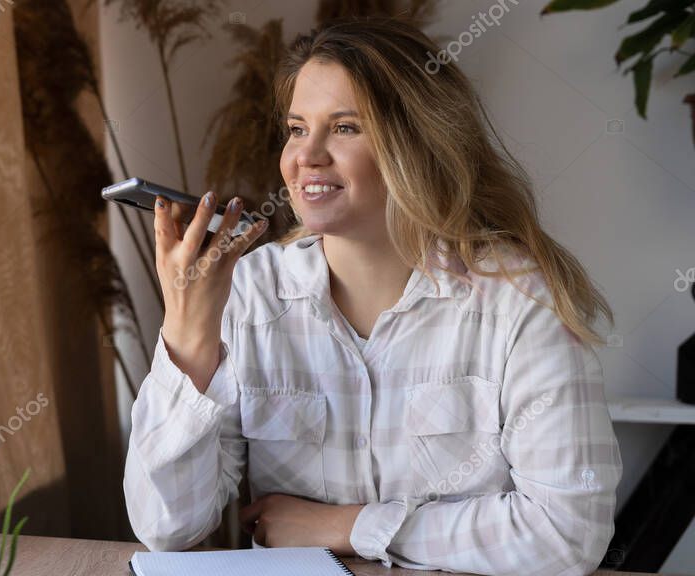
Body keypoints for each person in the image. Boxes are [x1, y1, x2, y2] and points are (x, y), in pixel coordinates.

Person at [123, 17, 621, 576]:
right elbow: (166, 528)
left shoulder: (519, 299)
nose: (306, 157)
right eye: (296, 128)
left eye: (344, 128)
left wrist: (350, 526)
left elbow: (567, 533)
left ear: (417, 144)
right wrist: (188, 338)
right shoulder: (251, 293)